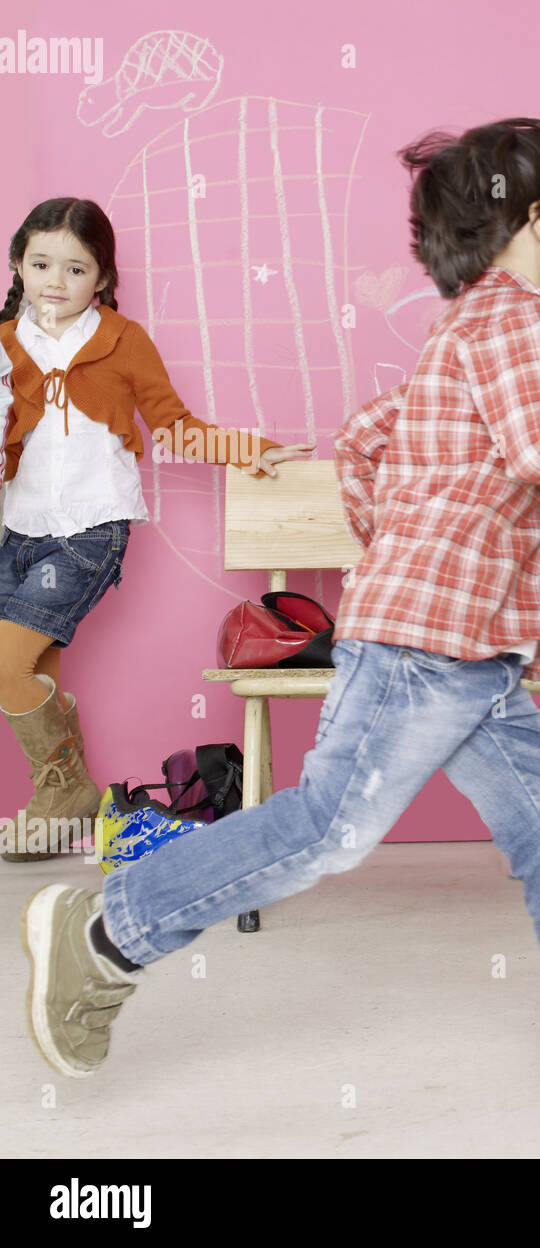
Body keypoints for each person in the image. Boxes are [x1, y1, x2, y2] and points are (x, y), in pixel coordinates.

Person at [20, 119, 540, 1144]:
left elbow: (367, 440)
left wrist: (404, 554)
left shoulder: (460, 329)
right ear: (537, 227)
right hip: (428, 649)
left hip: (465, 648)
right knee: (330, 826)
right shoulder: (523, 320)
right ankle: (108, 932)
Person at [0, 198, 306, 863]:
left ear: (103, 278)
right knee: (34, 675)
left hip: (88, 531)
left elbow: (173, 425)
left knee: (5, 665)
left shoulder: (122, 338)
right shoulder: (4, 343)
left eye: (75, 269)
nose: (55, 280)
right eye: (41, 263)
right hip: (15, 530)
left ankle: (67, 791)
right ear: (18, 265)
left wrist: (248, 448)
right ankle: (59, 801)